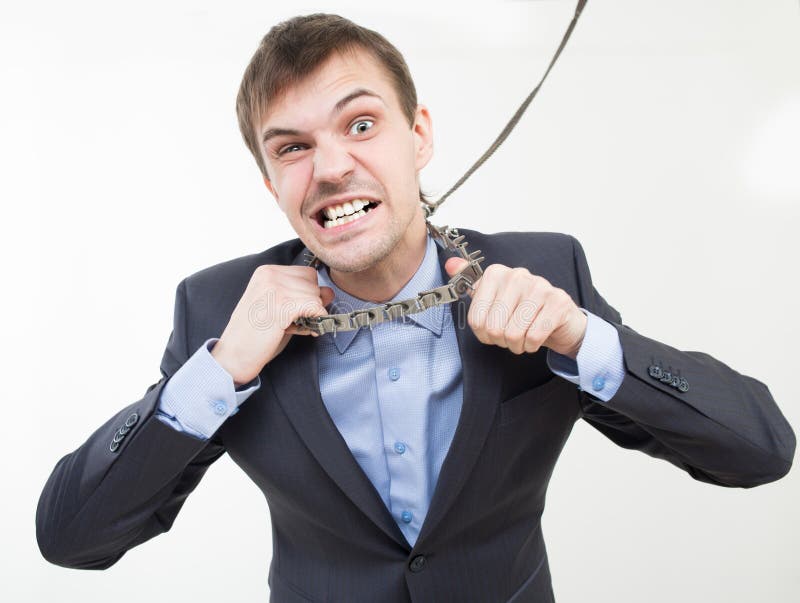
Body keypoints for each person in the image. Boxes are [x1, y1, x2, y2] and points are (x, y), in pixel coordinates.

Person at [36, 13, 795, 603]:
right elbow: (72, 535)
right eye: (292, 148)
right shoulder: (218, 311)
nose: (333, 167)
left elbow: (760, 449)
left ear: (419, 135)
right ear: (271, 184)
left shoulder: (544, 270)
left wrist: (581, 337)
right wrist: (221, 370)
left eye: (360, 124)